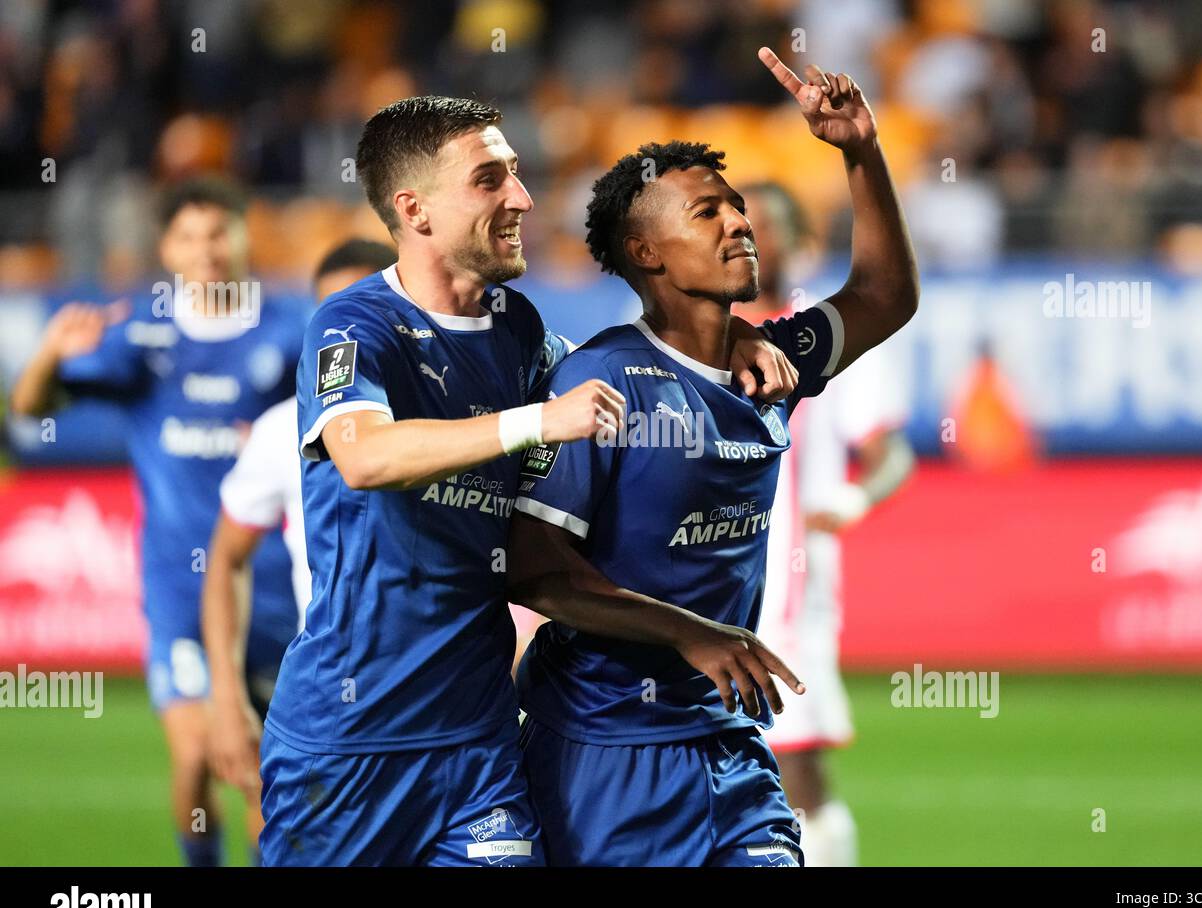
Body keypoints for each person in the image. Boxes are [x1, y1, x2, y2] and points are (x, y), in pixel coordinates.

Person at [258, 94, 796, 866]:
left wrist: (726, 335)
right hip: (350, 741)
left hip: (481, 745)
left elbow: (620, 368)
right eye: (489, 180)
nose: (522, 197)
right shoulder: (353, 327)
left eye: (515, 173)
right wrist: (535, 423)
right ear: (416, 209)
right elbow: (365, 458)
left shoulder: (521, 330)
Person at [504, 48, 919, 866]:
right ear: (647, 253)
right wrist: (688, 632)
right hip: (608, 748)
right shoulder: (605, 377)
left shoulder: (770, 364)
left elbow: (882, 297)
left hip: (731, 744)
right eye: (706, 212)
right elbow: (534, 569)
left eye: (736, 207)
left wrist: (860, 151)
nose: (738, 222)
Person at [8, 178, 304, 866]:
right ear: (167, 248)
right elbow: (29, 409)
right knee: (201, 750)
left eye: (218, 233)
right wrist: (53, 350)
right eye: (190, 237)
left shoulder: (289, 333)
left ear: (241, 236)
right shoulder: (141, 337)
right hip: (179, 591)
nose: (207, 252)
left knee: (273, 780)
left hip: (271, 590)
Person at [734, 183, 916, 867]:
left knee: (795, 767)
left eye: (766, 226)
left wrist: (855, 499)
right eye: (734, 221)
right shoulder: (683, 337)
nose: (746, 237)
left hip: (789, 588)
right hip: (695, 588)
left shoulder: (829, 338)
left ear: (801, 243)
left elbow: (891, 453)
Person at [200, 239, 396, 864]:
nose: (347, 328)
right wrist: (227, 701)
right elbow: (224, 558)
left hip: (456, 700)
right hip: (333, 700)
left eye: (363, 303)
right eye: (329, 313)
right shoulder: (280, 429)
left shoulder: (464, 415)